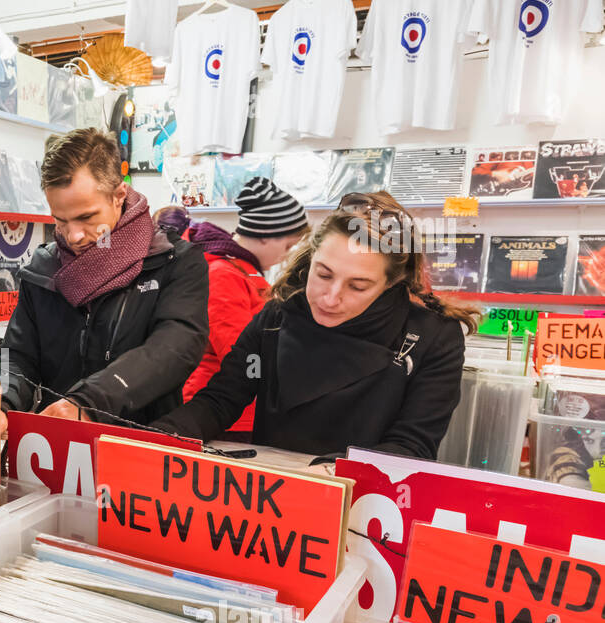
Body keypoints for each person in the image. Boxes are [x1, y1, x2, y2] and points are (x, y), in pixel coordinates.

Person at [154, 192, 481, 461]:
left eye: (358, 286)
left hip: (364, 506)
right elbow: (222, 399)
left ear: (392, 282)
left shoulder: (433, 338)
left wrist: (331, 476)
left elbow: (412, 446)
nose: (330, 297)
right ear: (310, 259)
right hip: (271, 494)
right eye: (323, 274)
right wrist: (159, 435)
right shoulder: (279, 314)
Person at [0, 127, 208, 434]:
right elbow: (16, 356)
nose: (74, 236)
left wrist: (89, 402)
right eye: (60, 220)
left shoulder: (175, 262)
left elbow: (173, 349)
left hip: (141, 448)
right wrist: (1, 402)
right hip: (56, 450)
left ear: (119, 196)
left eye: (86, 217)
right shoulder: (43, 268)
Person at [160, 177, 310, 437]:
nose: (287, 255)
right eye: (287, 246)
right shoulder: (223, 274)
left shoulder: (244, 271)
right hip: (223, 415)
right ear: (265, 234)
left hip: (244, 412)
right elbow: (239, 351)